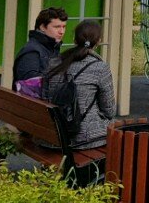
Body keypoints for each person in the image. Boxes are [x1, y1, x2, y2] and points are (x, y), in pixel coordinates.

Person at [43, 19, 116, 150]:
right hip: (84, 139)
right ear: (98, 41)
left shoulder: (53, 63)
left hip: (53, 136)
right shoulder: (100, 68)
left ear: (75, 39)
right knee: (120, 130)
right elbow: (109, 111)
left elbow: (45, 98)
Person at [13, 7, 68, 92]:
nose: (62, 31)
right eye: (57, 27)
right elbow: (30, 89)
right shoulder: (32, 53)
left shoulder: (51, 48)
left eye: (64, 27)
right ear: (42, 27)